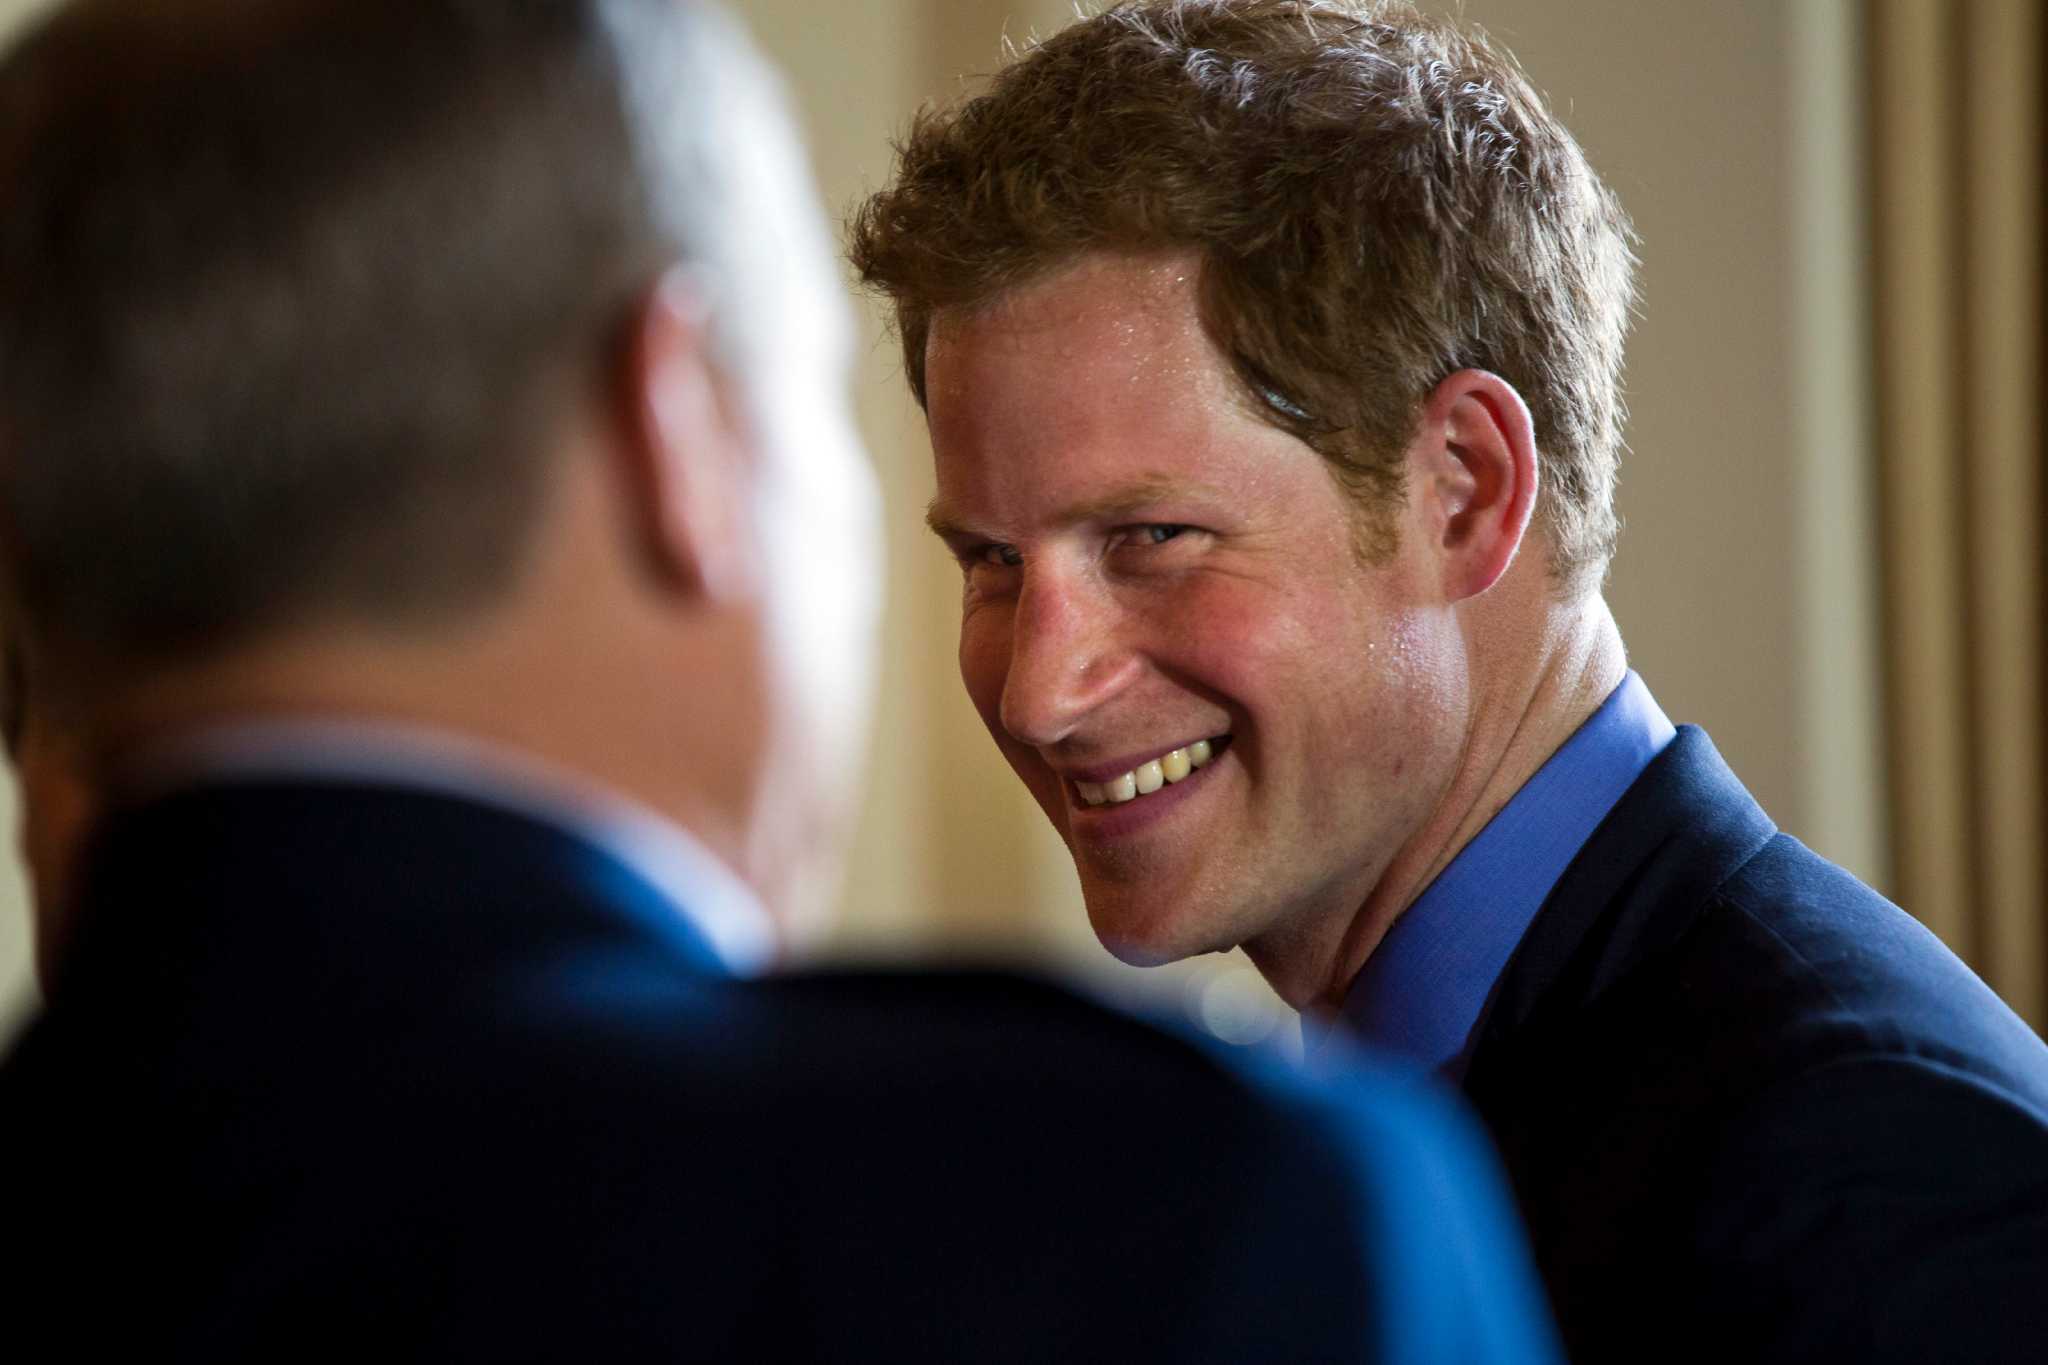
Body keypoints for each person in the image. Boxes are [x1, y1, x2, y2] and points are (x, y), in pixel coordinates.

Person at [0, 0, 1564, 1359]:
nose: (1035, 694)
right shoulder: (1196, 1237)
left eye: (1150, 534)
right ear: (679, 425)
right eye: (814, 397)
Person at [850, 1, 2048, 1359]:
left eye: (1148, 539)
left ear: (1466, 490)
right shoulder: (1335, 1134)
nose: (1036, 693)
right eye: (993, 560)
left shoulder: (1880, 1175)